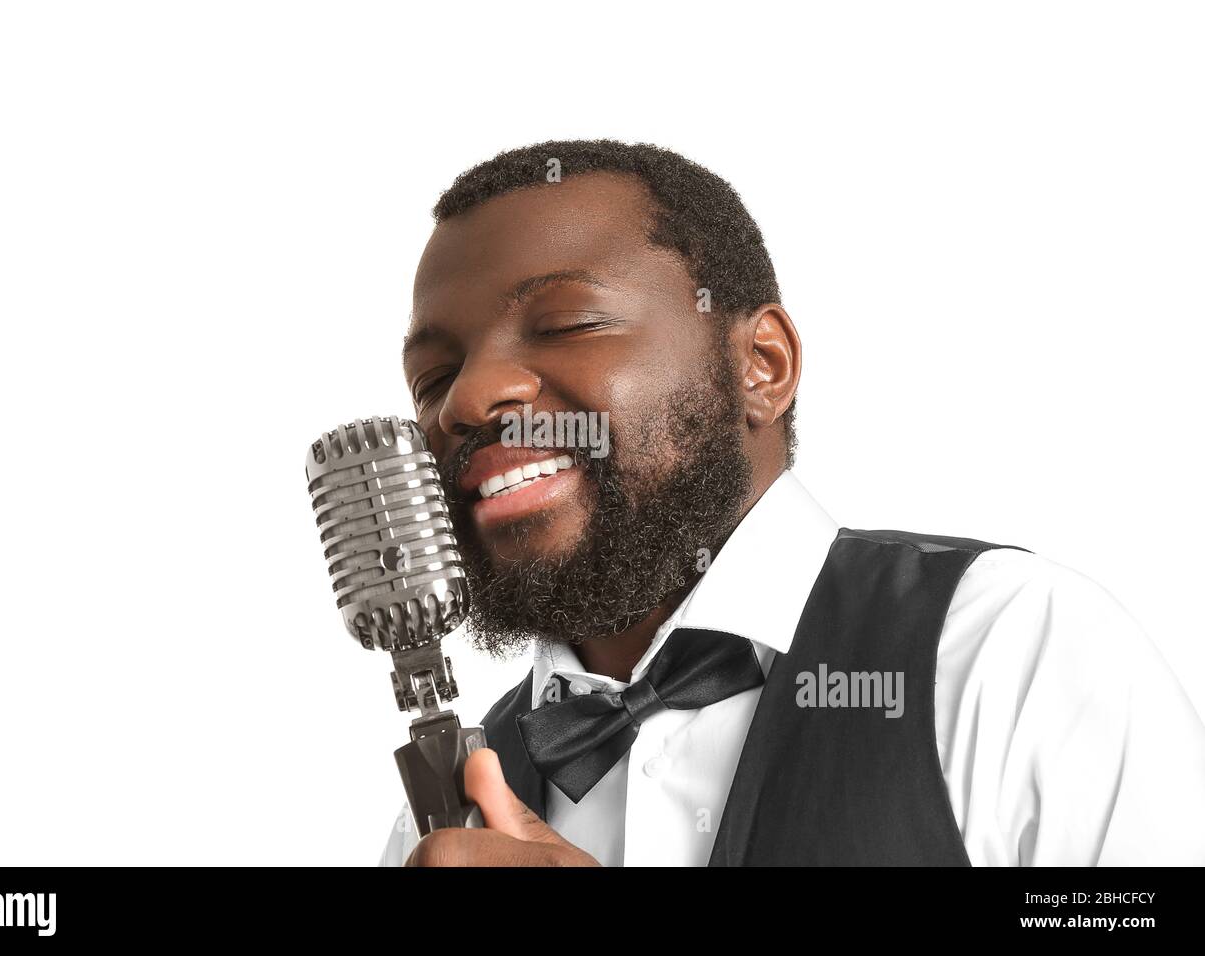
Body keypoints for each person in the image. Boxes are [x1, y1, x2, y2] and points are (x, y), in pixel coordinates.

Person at [382, 139, 1205, 866]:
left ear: (762, 366)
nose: (469, 399)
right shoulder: (447, 827)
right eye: (433, 378)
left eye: (567, 324)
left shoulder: (1014, 653)